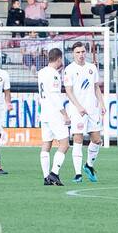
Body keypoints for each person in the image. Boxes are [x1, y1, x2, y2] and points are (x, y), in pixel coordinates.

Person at [64, 41, 104, 183]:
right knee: (78, 139)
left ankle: (89, 165)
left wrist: (102, 103)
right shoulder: (69, 69)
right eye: (77, 52)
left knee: (97, 140)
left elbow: (96, 87)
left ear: (85, 52)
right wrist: (78, 106)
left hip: (92, 109)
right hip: (77, 110)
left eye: (82, 52)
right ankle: (78, 174)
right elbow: (68, 91)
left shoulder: (92, 67)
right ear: (73, 54)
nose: (81, 55)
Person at [36, 47, 70, 186]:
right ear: (59, 58)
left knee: (47, 144)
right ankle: (54, 173)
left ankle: (46, 177)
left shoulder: (42, 72)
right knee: (65, 144)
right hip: (54, 114)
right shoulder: (54, 74)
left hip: (44, 113)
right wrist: (65, 114)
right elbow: (55, 96)